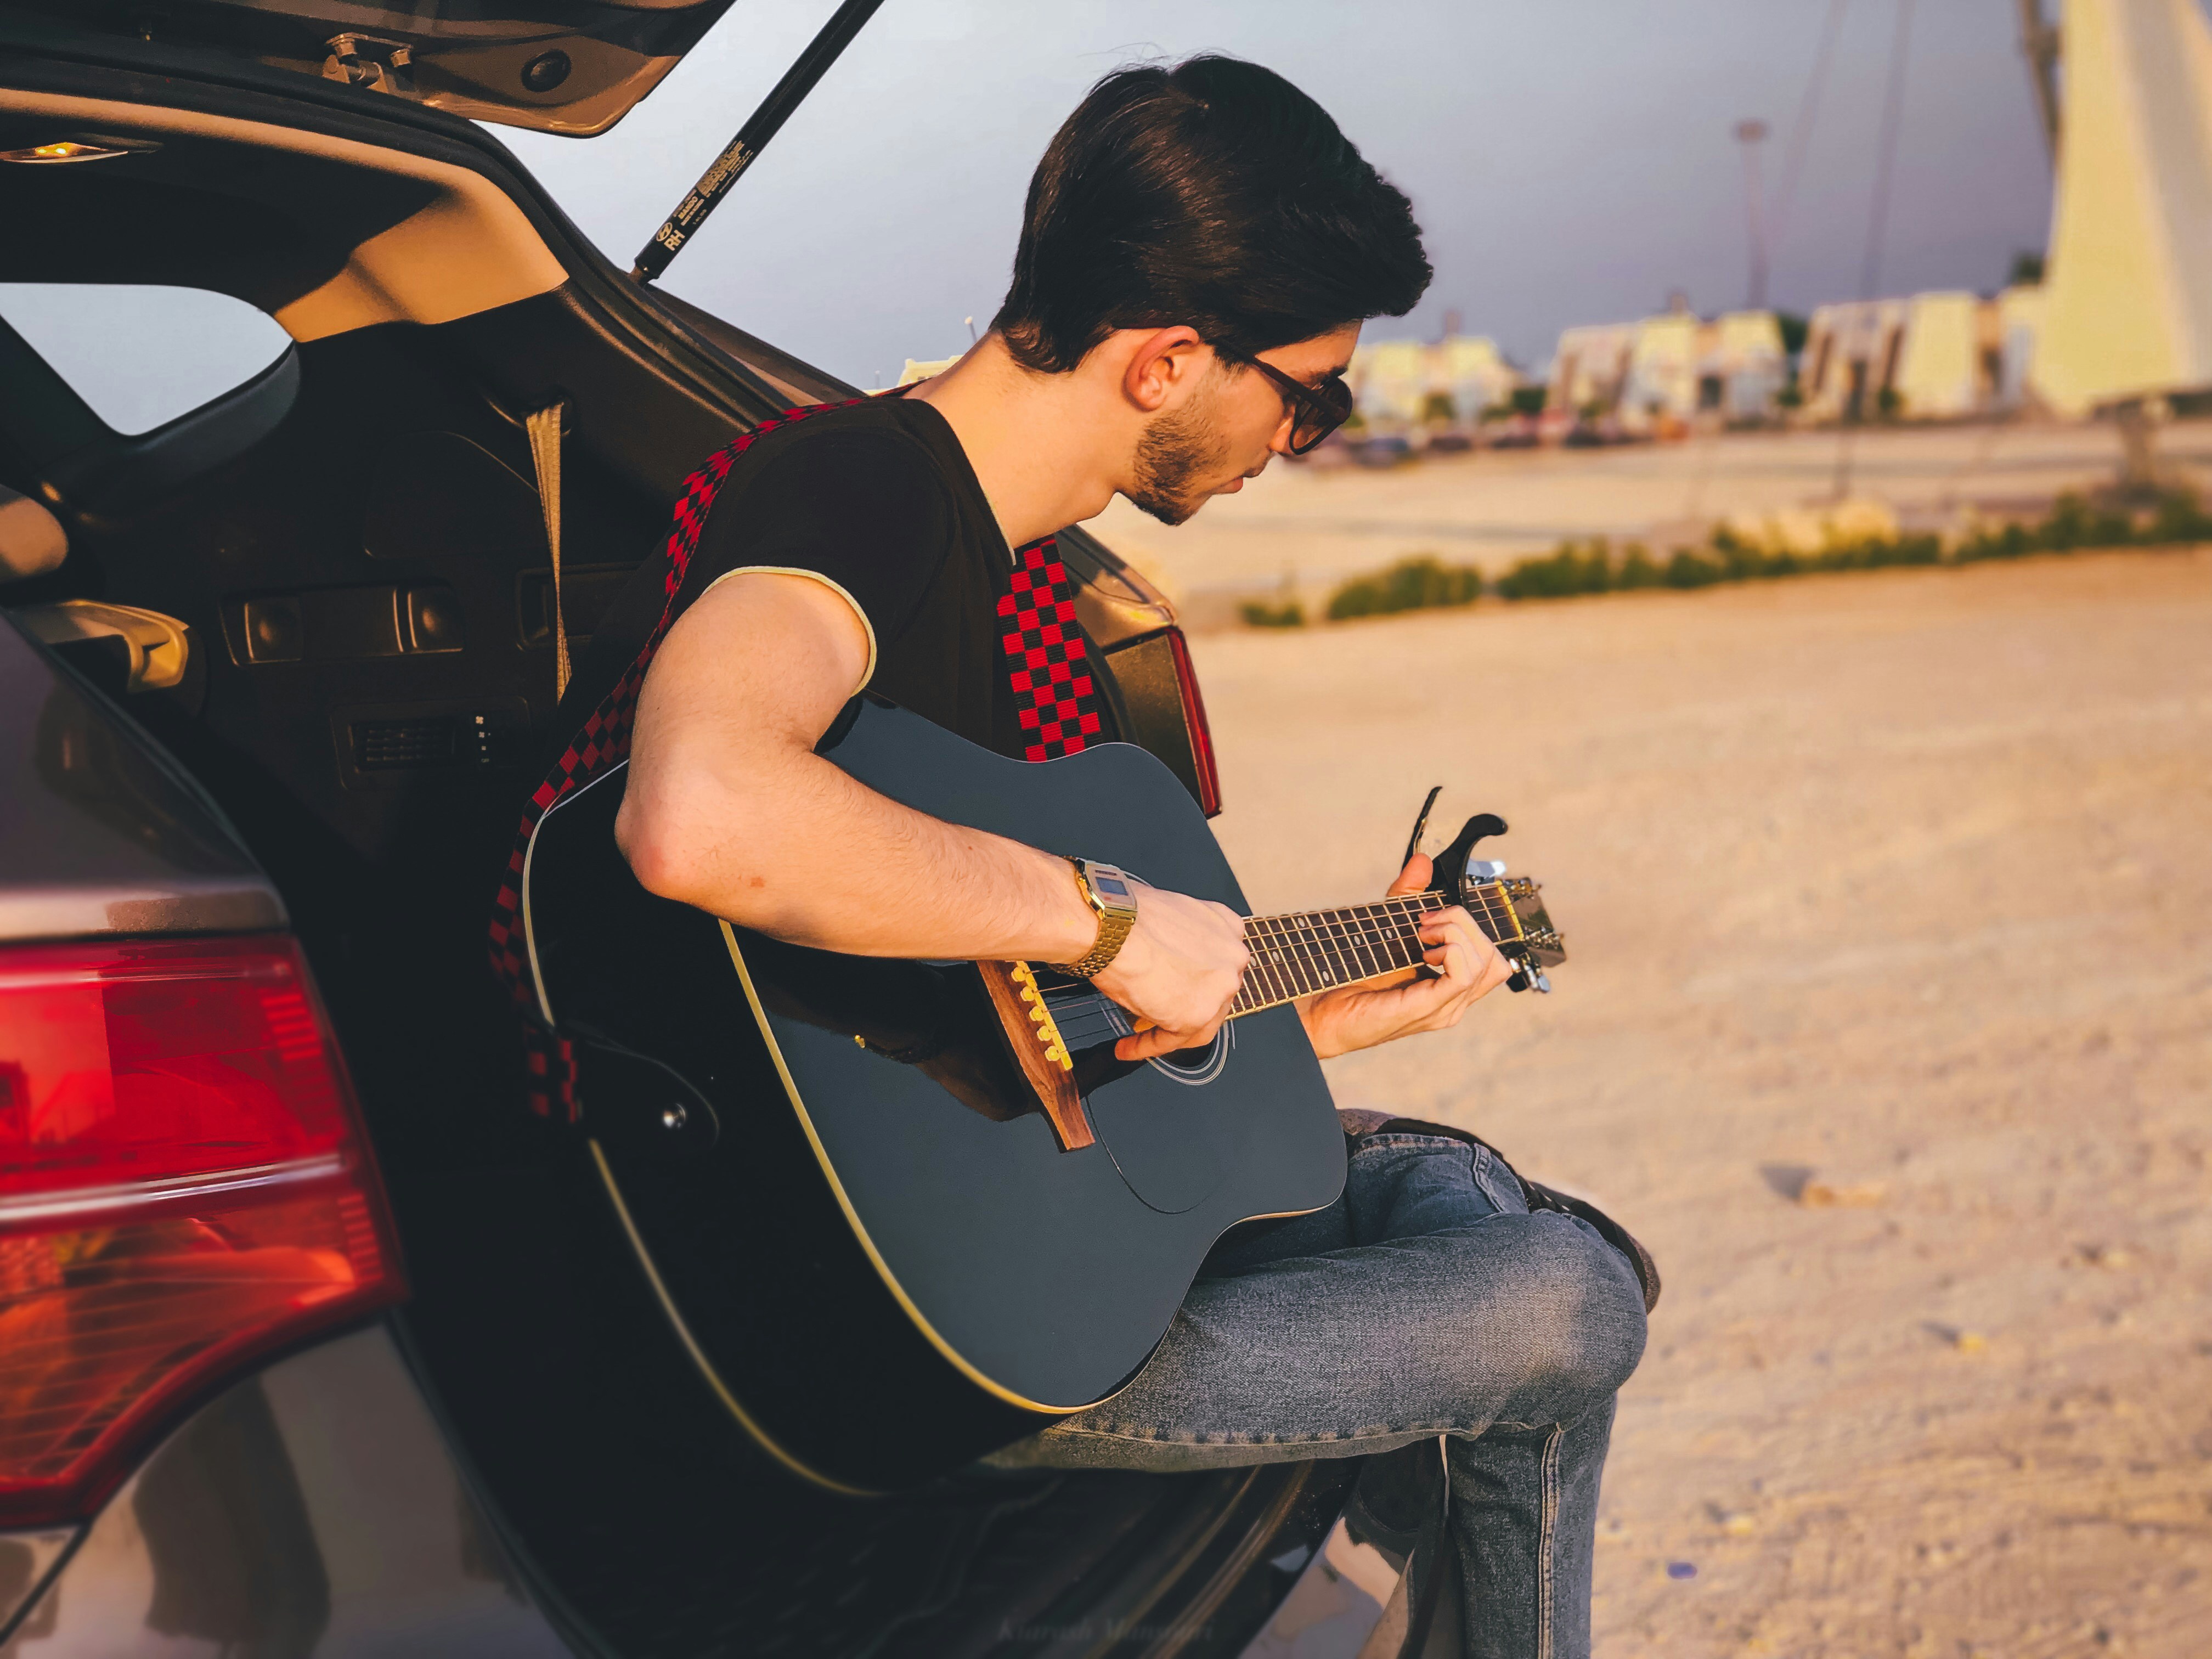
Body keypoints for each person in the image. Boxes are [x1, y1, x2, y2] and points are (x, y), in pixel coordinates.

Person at [575, 55, 1647, 1659]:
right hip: (925, 1334)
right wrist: (1104, 913)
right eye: (1310, 392)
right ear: (1165, 362)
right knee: (1572, 1301)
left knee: (1463, 1192)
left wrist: (1339, 1005)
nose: (1307, 436)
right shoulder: (853, 485)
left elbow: (1073, 1050)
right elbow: (703, 809)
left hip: (1037, 1239)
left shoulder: (1052, 611)